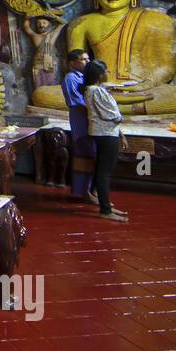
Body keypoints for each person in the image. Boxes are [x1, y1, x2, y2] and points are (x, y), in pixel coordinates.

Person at [82, 59, 128, 222]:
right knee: (104, 172)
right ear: (99, 75)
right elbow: (108, 114)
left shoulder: (95, 90)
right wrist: (120, 118)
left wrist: (120, 132)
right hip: (105, 133)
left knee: (102, 170)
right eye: (106, 71)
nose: (108, 74)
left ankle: (101, 201)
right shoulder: (95, 91)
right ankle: (105, 209)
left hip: (106, 132)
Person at [61, 49, 96, 204]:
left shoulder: (87, 78)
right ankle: (84, 192)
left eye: (88, 59)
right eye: (83, 60)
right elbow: (76, 102)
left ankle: (91, 190)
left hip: (92, 120)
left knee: (93, 155)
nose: (87, 62)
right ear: (72, 63)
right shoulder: (70, 78)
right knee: (84, 155)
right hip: (81, 120)